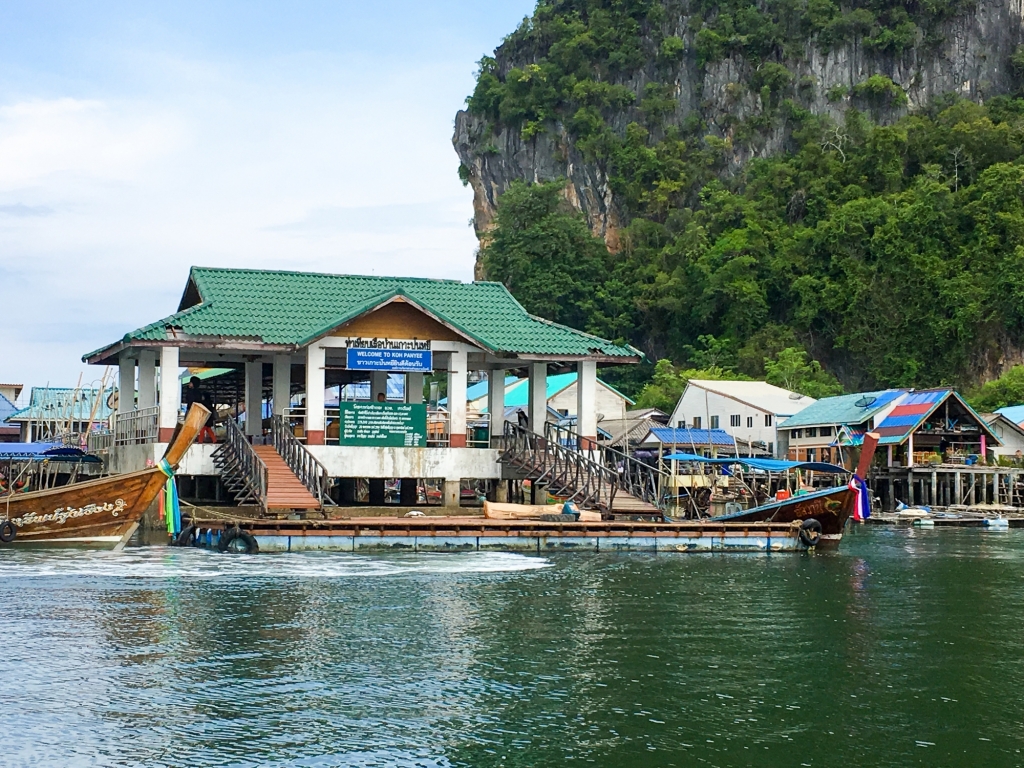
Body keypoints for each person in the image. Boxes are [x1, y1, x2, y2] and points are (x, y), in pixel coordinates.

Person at [183, 376, 216, 443]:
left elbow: (190, 401)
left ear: (193, 384)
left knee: (192, 427)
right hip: (198, 413)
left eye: (190, 383)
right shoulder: (199, 394)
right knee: (205, 429)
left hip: (192, 412)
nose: (189, 384)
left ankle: (193, 440)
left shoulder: (190, 392)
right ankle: (213, 440)